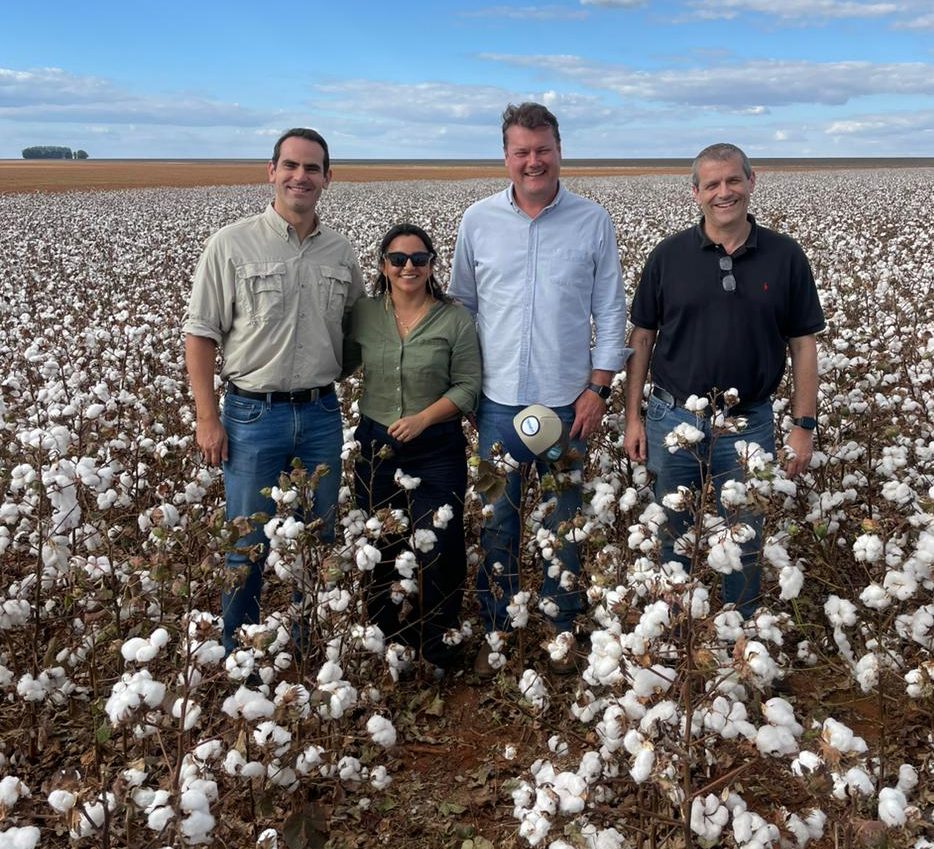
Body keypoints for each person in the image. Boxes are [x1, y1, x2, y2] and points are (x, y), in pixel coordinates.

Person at [449, 102, 629, 676]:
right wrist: (466, 391)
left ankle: (560, 631)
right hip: (496, 406)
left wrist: (599, 387)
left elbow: (609, 306)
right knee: (495, 520)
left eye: (543, 149)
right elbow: (463, 309)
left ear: (559, 150)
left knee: (563, 520)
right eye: (522, 151)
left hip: (568, 403)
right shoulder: (476, 221)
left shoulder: (592, 221)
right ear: (505, 156)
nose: (533, 161)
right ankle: (496, 632)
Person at [623, 142, 824, 618]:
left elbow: (803, 344)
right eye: (711, 184)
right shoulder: (668, 256)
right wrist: (632, 416)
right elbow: (642, 338)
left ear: (751, 182)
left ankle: (743, 635)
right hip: (671, 417)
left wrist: (803, 424)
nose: (724, 192)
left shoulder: (785, 255)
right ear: (695, 192)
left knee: (746, 535)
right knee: (670, 531)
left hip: (749, 422)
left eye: (734, 180)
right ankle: (670, 632)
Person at [184, 128, 364, 654]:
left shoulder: (340, 251)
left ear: (328, 179)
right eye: (290, 165)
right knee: (245, 542)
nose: (299, 177)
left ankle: (312, 646)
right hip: (249, 414)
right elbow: (200, 335)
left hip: (321, 413)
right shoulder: (230, 244)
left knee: (319, 537)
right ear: (271, 171)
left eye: (312, 169)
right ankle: (242, 651)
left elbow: (358, 328)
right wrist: (207, 417)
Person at [348, 223, 481, 671]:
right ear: (383, 265)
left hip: (437, 446)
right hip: (376, 443)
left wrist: (424, 417)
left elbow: (468, 386)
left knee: (440, 544)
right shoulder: (364, 314)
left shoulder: (454, 319)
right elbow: (340, 361)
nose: (409, 267)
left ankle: (437, 640)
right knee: (379, 543)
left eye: (419, 259)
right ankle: (387, 636)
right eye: (398, 259)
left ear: (431, 266)